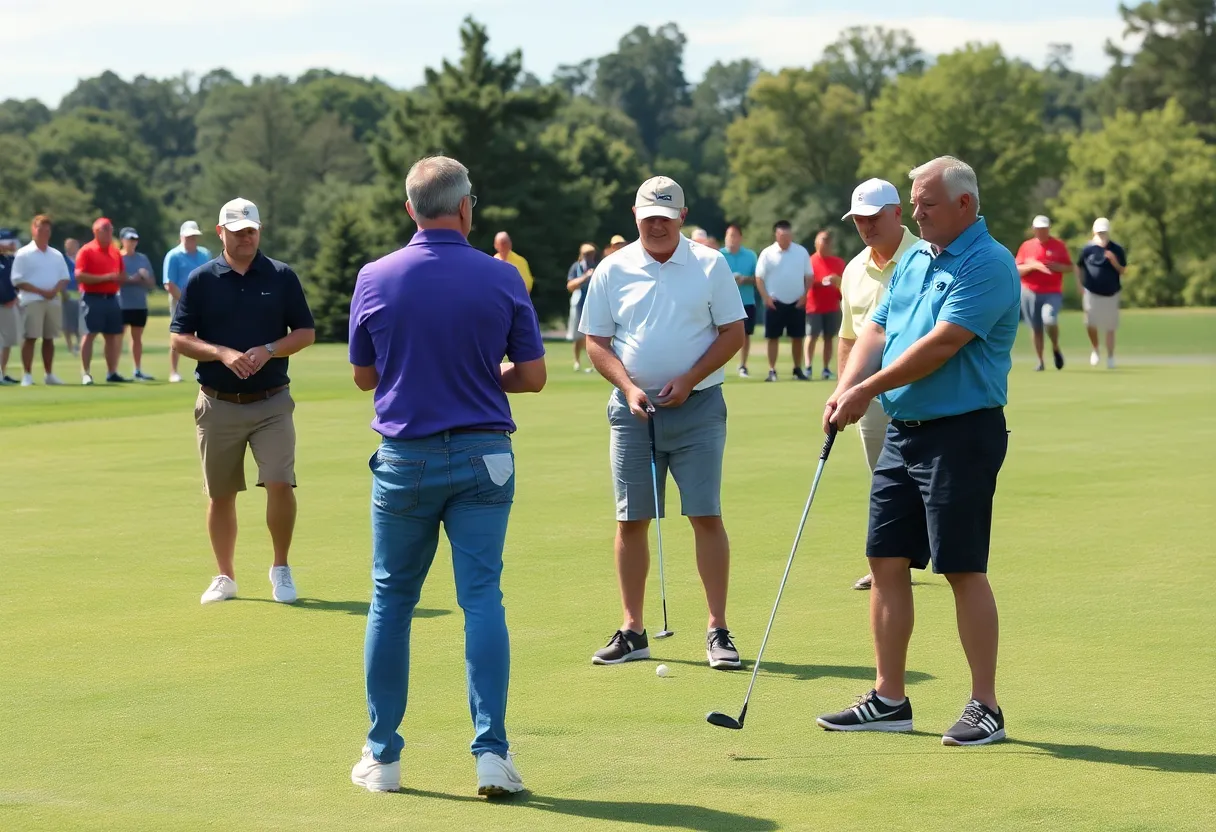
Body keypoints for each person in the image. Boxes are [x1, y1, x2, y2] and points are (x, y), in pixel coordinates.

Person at [347, 155, 545, 796]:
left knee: (391, 603)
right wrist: (486, 378)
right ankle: (492, 754)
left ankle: (384, 759)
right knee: (482, 599)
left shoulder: (375, 277)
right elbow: (533, 376)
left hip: (405, 458)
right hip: (485, 454)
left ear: (410, 209)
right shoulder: (502, 277)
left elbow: (364, 375)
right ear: (466, 208)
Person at [817, 156, 1019, 747]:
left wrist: (865, 391)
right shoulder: (915, 260)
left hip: (962, 432)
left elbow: (942, 345)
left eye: (927, 203)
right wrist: (843, 387)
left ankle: (986, 705)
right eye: (914, 201)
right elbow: (875, 331)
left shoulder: (989, 263)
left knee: (961, 567)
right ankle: (889, 698)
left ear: (965, 205)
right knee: (885, 560)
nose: (917, 212)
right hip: (905, 433)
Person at [579, 175, 747, 670]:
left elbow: (733, 332)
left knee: (705, 515)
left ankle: (717, 628)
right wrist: (629, 387)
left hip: (698, 409)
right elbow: (597, 342)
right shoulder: (613, 269)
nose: (657, 225)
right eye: (649, 216)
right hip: (633, 412)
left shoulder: (709, 263)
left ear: (682, 216)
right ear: (636, 216)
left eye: (666, 217)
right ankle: (633, 630)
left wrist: (692, 378)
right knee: (631, 520)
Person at [169, 197, 315, 606]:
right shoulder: (201, 279)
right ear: (221, 233)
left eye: (251, 229)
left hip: (271, 401)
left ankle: (281, 568)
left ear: (259, 230)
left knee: (280, 483)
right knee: (220, 494)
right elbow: (180, 337)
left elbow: (305, 331)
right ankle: (225, 576)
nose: (246, 236)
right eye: (237, 231)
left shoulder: (282, 276)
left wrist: (270, 348)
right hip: (217, 403)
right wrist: (222, 353)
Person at [835, 178, 920, 592]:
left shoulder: (926, 257)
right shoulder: (853, 269)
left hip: (921, 391)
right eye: (859, 221)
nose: (866, 227)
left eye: (874, 218)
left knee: (926, 479)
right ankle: (889, 561)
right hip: (868, 396)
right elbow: (849, 337)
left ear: (898, 213)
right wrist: (841, 390)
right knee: (883, 481)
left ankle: (933, 554)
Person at [12, 215, 70, 386]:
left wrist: (54, 291)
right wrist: (40, 291)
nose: (44, 232)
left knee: (49, 338)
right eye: (40, 229)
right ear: (33, 230)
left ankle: (49, 374)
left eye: (47, 229)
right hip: (31, 300)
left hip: (52, 301)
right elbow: (17, 280)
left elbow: (64, 277)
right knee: (30, 337)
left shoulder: (56, 254)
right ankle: (27, 375)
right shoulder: (23, 254)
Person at [756, 220, 812, 382]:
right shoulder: (767, 253)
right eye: (781, 235)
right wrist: (766, 298)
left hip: (797, 302)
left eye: (787, 235)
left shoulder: (801, 252)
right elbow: (759, 277)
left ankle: (797, 369)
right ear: (776, 235)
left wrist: (805, 295)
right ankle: (772, 370)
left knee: (797, 337)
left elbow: (809, 276)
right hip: (774, 302)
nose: (785, 238)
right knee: (773, 337)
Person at [76, 218, 130, 385]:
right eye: (104, 229)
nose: (108, 233)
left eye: (109, 229)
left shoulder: (115, 252)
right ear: (96, 231)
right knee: (89, 334)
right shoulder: (87, 251)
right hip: (92, 297)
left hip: (112, 297)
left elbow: (122, 274)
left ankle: (112, 372)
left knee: (112, 336)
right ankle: (86, 373)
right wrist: (105, 278)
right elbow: (79, 276)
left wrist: (120, 279)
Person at [1014, 215, 1070, 371]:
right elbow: (1017, 269)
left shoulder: (1058, 245)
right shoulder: (1026, 246)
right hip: (1029, 291)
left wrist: (1055, 266)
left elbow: (1069, 267)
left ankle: (1056, 347)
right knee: (1036, 327)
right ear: (1034, 230)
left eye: (1044, 229)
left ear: (1049, 229)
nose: (1041, 232)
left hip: (1052, 291)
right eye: (1039, 229)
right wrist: (1032, 266)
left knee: (1049, 318)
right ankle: (1040, 361)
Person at [163, 221, 212, 383]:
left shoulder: (204, 254)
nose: (191, 240)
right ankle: (173, 371)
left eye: (194, 237)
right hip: (179, 300)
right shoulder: (173, 255)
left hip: (204, 300)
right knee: (179, 334)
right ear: (181, 236)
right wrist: (186, 301)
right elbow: (169, 283)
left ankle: (207, 369)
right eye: (188, 236)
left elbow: (211, 276)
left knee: (207, 334)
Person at [1076, 217, 1126, 369]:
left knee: (1110, 326)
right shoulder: (1087, 249)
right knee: (1090, 323)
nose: (1102, 235)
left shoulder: (1116, 249)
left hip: (1111, 293)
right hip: (1092, 292)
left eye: (1104, 232)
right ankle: (1096, 349)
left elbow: (1123, 270)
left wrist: (1114, 261)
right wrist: (1080, 285)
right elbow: (1078, 267)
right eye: (1099, 232)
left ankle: (1110, 357)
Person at [118, 227, 157, 381]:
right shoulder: (117, 257)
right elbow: (116, 279)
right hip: (121, 303)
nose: (132, 243)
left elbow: (152, 283)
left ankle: (137, 369)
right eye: (129, 240)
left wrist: (144, 278)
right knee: (117, 338)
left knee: (137, 338)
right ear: (122, 240)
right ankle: (114, 369)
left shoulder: (142, 258)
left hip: (139, 303)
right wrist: (133, 279)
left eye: (134, 240)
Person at [720, 224, 758, 377]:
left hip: (746, 301)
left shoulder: (750, 255)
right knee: (719, 335)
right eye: (729, 235)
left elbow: (758, 279)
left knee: (745, 335)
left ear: (740, 238)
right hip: (723, 302)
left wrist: (744, 279)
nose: (732, 239)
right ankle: (718, 366)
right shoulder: (718, 255)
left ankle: (743, 365)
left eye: (735, 235)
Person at [807, 230, 845, 380]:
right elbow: (806, 282)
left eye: (828, 242)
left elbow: (845, 285)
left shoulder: (838, 262)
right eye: (823, 241)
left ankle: (826, 368)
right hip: (814, 306)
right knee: (812, 335)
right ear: (816, 243)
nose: (826, 245)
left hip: (832, 305)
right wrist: (820, 282)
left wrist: (837, 282)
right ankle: (808, 366)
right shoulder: (810, 261)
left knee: (829, 337)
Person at [567, 243, 598, 371]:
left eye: (591, 254)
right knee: (578, 336)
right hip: (579, 304)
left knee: (593, 335)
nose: (589, 257)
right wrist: (585, 277)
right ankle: (577, 361)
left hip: (594, 304)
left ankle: (594, 364)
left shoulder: (597, 266)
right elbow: (570, 286)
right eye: (586, 254)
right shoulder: (576, 267)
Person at [0, 229, 21, 385]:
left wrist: (14, 297)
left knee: (7, 341)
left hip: (10, 305)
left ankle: (2, 372)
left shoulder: (10, 260)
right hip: (2, 305)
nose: (11, 243)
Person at [61, 237, 81, 355]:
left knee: (79, 321)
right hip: (67, 294)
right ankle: (70, 346)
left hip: (80, 293)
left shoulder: (81, 259)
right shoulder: (62, 260)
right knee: (67, 323)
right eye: (69, 245)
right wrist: (62, 291)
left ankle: (79, 344)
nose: (71, 248)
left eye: (73, 245)